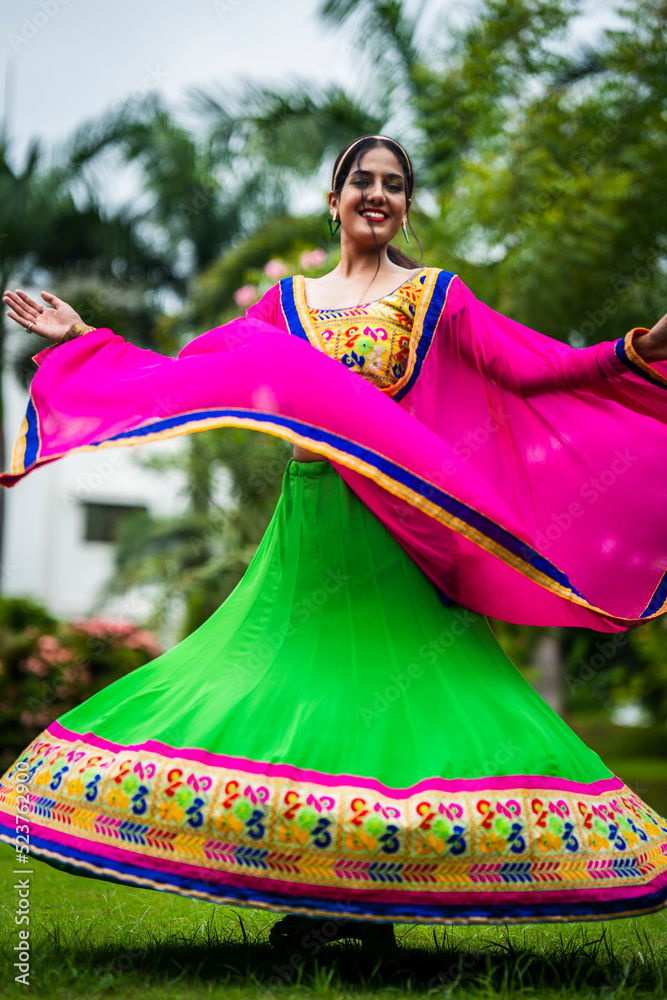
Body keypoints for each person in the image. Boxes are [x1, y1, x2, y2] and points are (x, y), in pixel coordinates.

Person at [2, 136, 667, 955]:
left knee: (395, 694)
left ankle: (373, 898)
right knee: (294, 683)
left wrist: (638, 350)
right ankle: (326, 893)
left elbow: (534, 369)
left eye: (393, 185)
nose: (377, 195)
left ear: (405, 208)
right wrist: (83, 339)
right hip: (308, 524)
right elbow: (189, 374)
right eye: (363, 181)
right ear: (334, 200)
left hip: (399, 528)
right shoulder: (282, 307)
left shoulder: (436, 297)